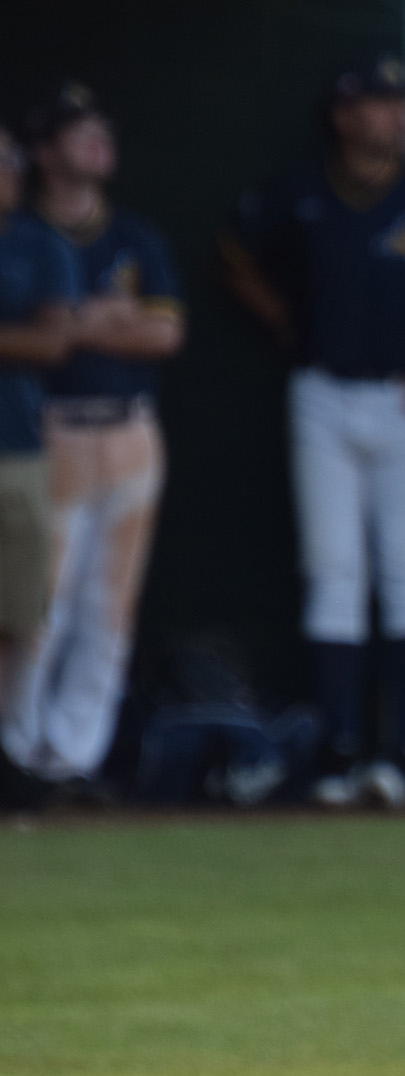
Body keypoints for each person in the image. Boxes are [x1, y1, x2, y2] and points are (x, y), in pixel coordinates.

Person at [224, 57, 405, 809]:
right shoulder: (304, 192)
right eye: (381, 103)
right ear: (344, 115)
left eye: (402, 102)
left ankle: (401, 755)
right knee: (334, 571)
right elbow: (234, 254)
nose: (398, 115)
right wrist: (286, 320)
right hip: (324, 392)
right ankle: (340, 749)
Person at [8, 84, 183, 793]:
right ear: (42, 152)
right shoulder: (21, 237)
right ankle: (17, 750)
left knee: (109, 605)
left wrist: (80, 325)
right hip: (52, 430)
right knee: (37, 603)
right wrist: (97, 320)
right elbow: (42, 338)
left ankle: (75, 756)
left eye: (100, 128)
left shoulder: (135, 236)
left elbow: (165, 333)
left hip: (130, 429)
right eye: (78, 130)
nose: (97, 140)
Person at [0, 121, 80, 797]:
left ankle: (8, 746)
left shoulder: (39, 244)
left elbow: (53, 342)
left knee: (18, 613)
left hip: (17, 450)